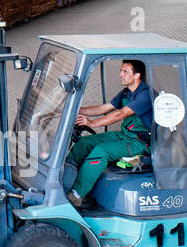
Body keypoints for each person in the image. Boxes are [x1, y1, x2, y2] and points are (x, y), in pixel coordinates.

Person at [63, 60, 154, 207]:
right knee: (84, 143)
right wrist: (75, 109)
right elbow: (103, 108)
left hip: (139, 142)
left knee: (101, 151)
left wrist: (92, 123)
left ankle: (76, 194)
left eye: (125, 72)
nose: (121, 74)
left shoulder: (145, 95)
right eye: (121, 71)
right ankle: (64, 179)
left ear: (137, 75)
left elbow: (120, 115)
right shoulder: (126, 92)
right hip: (124, 135)